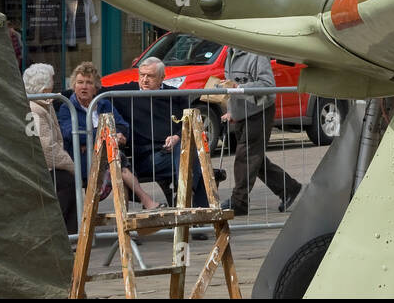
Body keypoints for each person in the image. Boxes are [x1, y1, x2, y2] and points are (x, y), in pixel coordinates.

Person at [57, 61, 160, 211]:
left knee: (117, 168)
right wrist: (108, 135)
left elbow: (123, 126)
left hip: (107, 157)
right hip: (82, 161)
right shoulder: (67, 108)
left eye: (88, 83)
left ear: (96, 87)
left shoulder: (103, 104)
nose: (84, 87)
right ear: (74, 85)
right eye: (80, 82)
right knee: (117, 163)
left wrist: (104, 136)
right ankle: (144, 203)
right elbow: (73, 134)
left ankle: (124, 225)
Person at [110, 57, 208, 207]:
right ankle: (191, 205)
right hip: (147, 157)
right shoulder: (127, 93)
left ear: (162, 78)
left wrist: (176, 136)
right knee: (192, 162)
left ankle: (187, 200)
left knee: (187, 153)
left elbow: (191, 123)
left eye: (150, 76)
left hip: (175, 152)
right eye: (142, 75)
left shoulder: (176, 95)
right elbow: (93, 91)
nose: (144, 80)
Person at [221, 48, 301, 215]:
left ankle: (239, 202)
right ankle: (289, 188)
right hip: (242, 113)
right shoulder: (230, 53)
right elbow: (230, 85)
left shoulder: (256, 54)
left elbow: (267, 85)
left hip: (259, 111)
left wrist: (239, 87)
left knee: (246, 157)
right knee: (255, 159)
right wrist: (231, 110)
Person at [23, 63, 77, 233]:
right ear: (45, 88)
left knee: (67, 182)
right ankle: (64, 233)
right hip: (41, 169)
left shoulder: (42, 104)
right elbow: (46, 148)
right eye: (53, 80)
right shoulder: (35, 109)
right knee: (67, 182)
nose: (55, 84)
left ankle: (70, 233)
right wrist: (71, 165)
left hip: (43, 167)